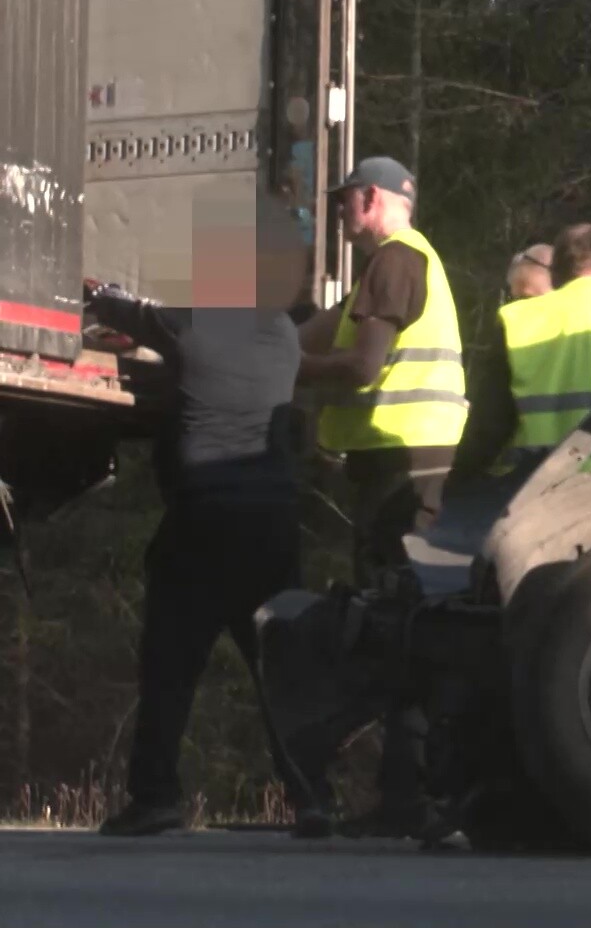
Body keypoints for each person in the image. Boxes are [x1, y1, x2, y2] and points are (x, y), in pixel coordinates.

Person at [94, 209, 331, 839]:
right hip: (273, 524)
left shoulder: (192, 321)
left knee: (170, 666)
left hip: (203, 521)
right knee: (280, 672)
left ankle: (156, 798)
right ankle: (314, 797)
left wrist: (91, 288)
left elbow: (126, 309)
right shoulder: (282, 333)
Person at [298, 155, 467, 837]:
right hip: (403, 466)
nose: (340, 213)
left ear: (373, 199)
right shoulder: (388, 268)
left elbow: (364, 367)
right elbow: (316, 330)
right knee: (399, 626)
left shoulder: (396, 259)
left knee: (401, 630)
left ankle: (415, 796)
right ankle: (403, 794)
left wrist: (286, 369)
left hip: (403, 468)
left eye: (345, 202)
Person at [450, 223, 591, 494]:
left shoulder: (518, 319)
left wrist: (455, 485)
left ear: (555, 275)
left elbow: (489, 428)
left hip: (536, 491)